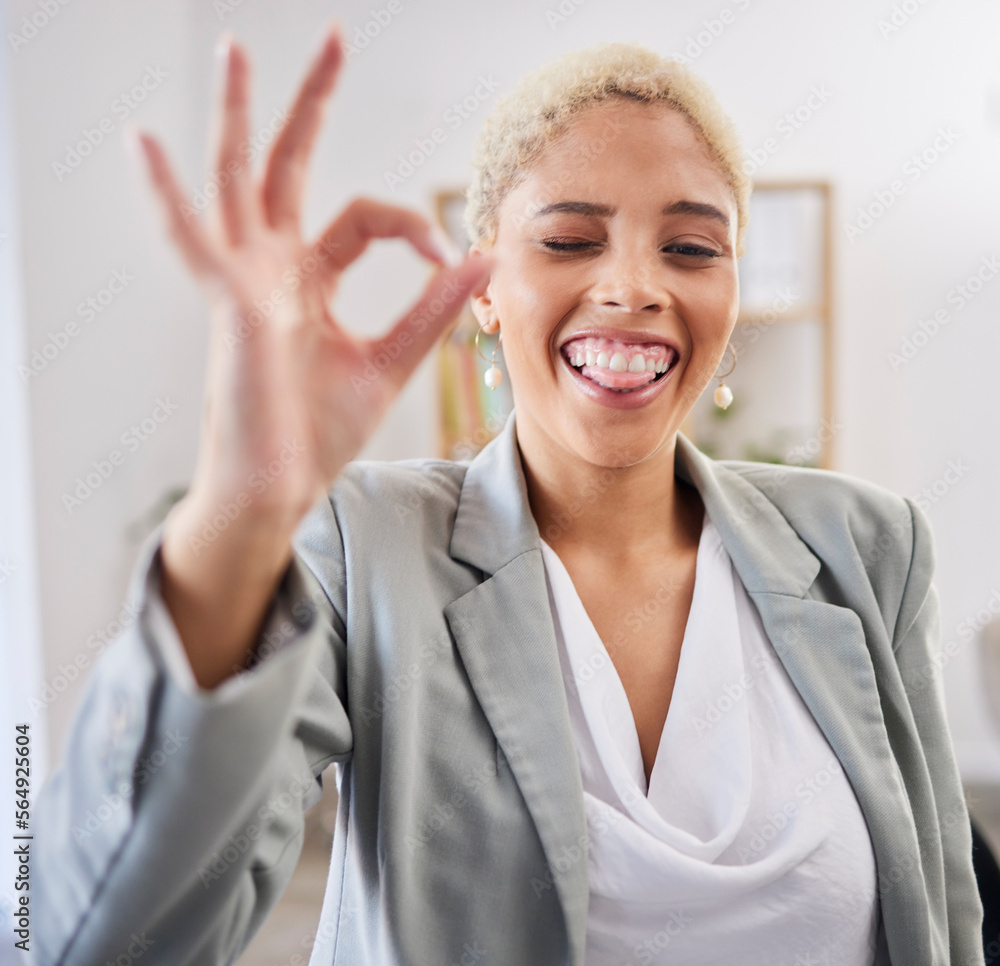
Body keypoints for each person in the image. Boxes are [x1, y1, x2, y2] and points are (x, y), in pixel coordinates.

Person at [34, 21, 983, 966]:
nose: (633, 286)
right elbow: (110, 940)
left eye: (692, 249)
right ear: (483, 282)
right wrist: (238, 513)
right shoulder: (368, 551)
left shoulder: (870, 547)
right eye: (572, 239)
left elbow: (945, 913)